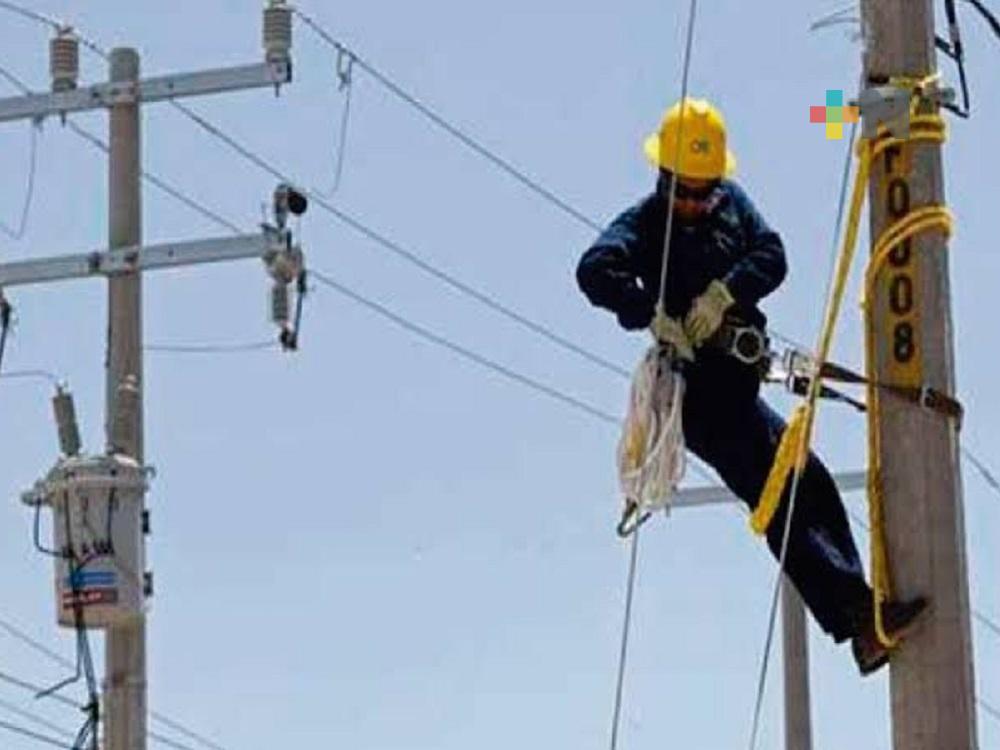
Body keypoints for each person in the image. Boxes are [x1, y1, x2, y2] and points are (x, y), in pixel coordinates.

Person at [576, 97, 926, 675]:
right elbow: (594, 269)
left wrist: (725, 293)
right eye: (684, 191)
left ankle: (861, 618)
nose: (695, 202)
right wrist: (651, 311)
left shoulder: (732, 205)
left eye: (704, 191)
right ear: (664, 180)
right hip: (701, 397)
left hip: (740, 382)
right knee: (781, 502)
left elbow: (773, 256)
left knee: (807, 482)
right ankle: (858, 620)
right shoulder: (643, 225)